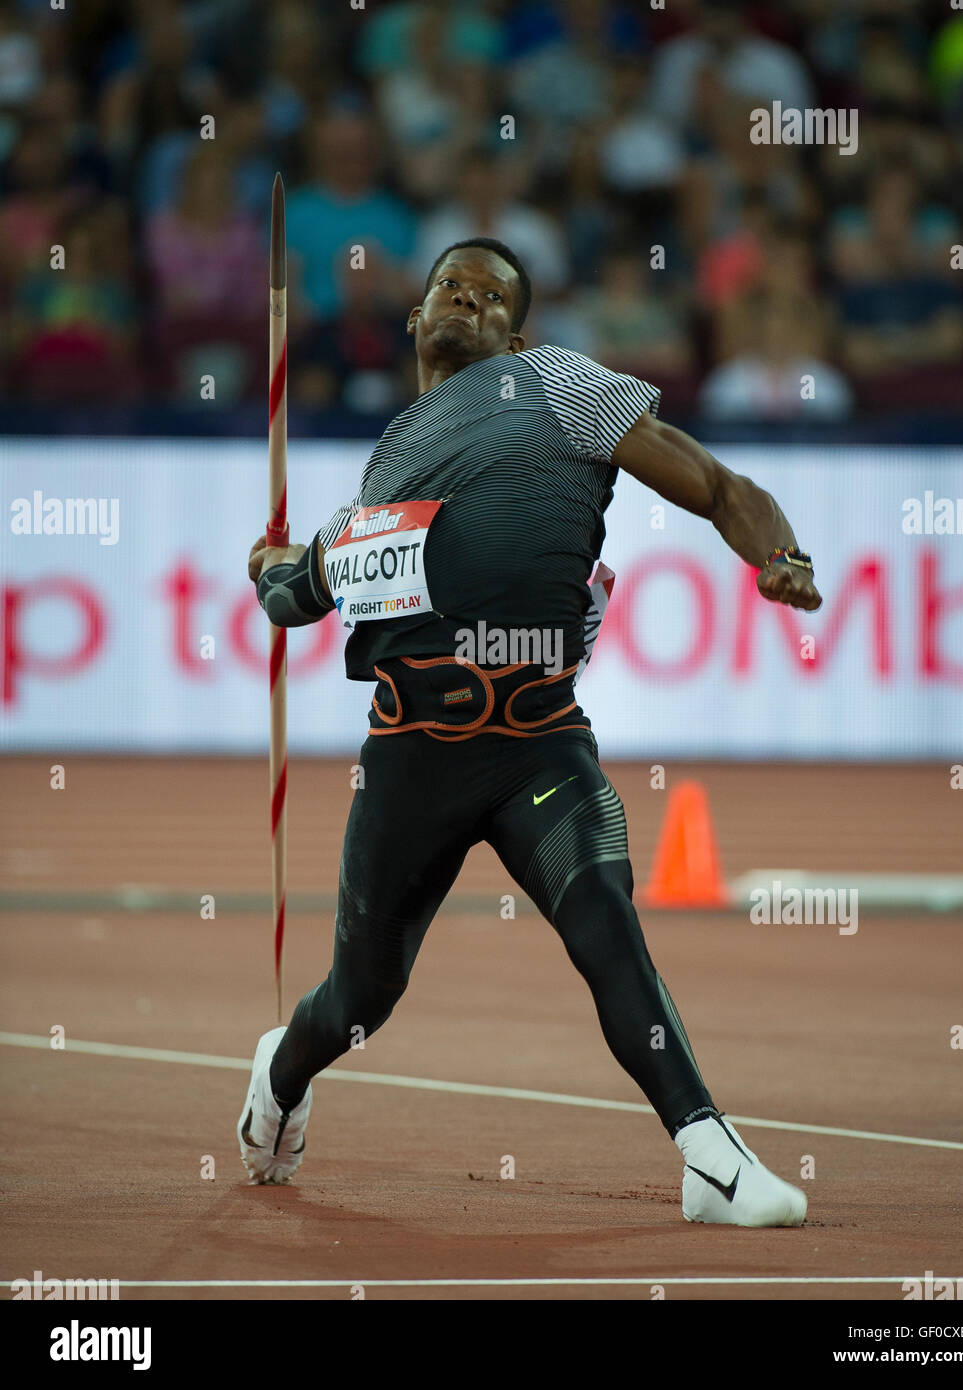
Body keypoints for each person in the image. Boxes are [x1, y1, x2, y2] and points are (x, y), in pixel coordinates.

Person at [239, 237, 821, 1227]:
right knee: (360, 1000)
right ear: (417, 319)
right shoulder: (381, 480)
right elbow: (295, 598)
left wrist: (782, 556)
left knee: (605, 921)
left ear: (516, 335)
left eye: (491, 295)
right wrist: (271, 564)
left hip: (539, 744)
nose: (466, 299)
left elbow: (721, 487)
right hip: (412, 763)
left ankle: (709, 1156)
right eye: (448, 286)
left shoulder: (562, 386)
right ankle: (280, 1074)